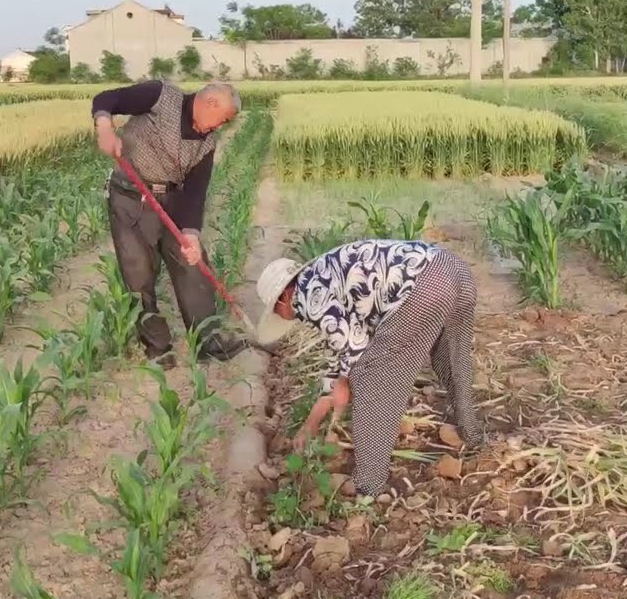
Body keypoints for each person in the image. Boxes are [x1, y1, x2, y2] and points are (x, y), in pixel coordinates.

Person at [254, 239, 484, 497]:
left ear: (284, 297)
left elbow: (355, 344)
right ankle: (472, 434)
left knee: (371, 377)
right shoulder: (319, 276)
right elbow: (339, 346)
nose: (281, 316)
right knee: (451, 357)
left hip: (425, 286)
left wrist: (345, 381)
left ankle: (369, 483)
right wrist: (314, 419)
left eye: (276, 310)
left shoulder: (308, 297)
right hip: (453, 269)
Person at [91, 79, 247, 367]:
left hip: (172, 199)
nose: (220, 126)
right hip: (131, 199)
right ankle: (158, 347)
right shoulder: (160, 96)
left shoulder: (207, 142)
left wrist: (191, 234)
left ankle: (207, 341)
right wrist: (105, 128)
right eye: (223, 119)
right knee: (139, 274)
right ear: (211, 103)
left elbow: (196, 191)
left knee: (193, 265)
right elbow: (107, 98)